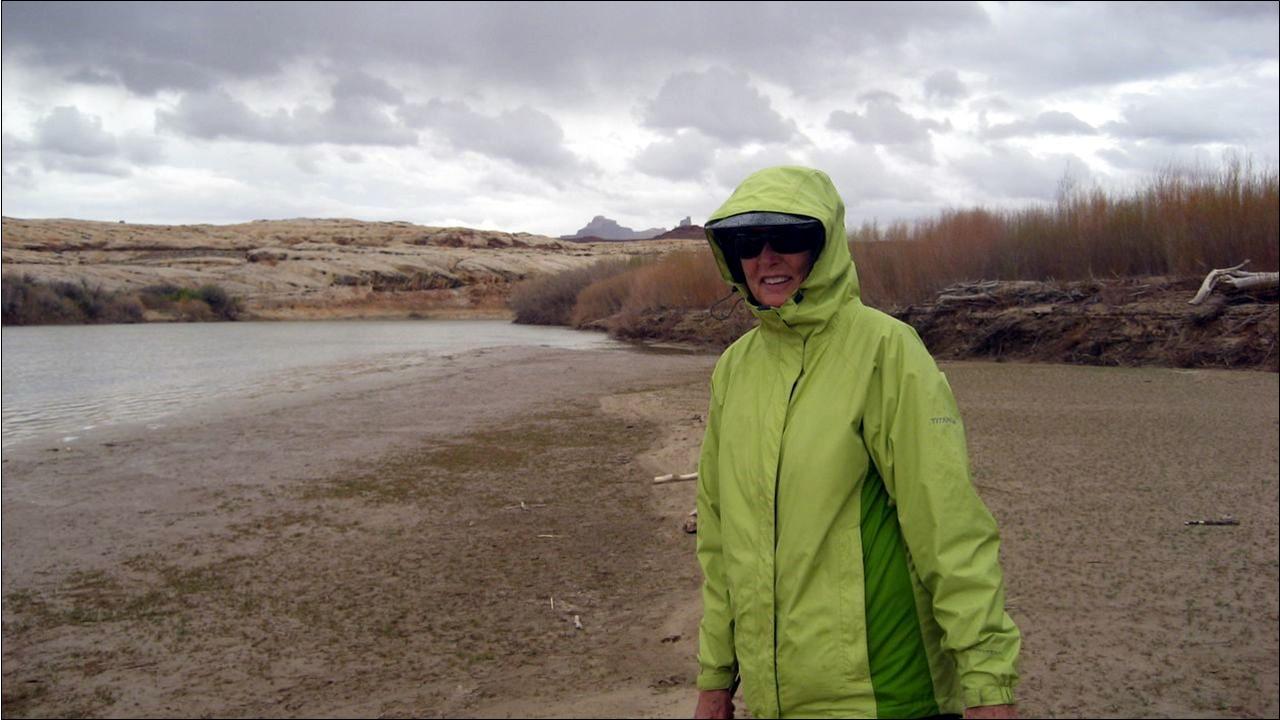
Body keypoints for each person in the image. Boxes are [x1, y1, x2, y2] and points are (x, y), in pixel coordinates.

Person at [692, 166, 1021, 719]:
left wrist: (988, 684)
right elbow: (721, 536)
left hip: (882, 692)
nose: (766, 258)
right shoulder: (735, 369)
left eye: (789, 238)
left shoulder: (887, 351)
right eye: (748, 241)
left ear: (825, 246)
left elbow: (949, 525)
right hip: (773, 699)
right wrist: (715, 677)